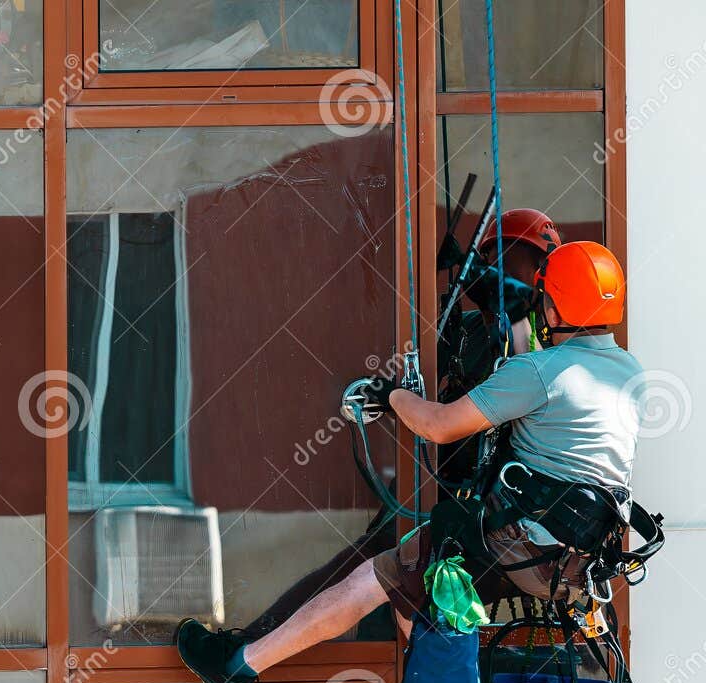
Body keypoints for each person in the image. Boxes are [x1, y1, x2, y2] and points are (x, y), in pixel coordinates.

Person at [178, 241, 640, 683]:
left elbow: (440, 426)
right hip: (579, 565)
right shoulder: (625, 373)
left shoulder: (543, 372)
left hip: (520, 544)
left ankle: (240, 664)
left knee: (373, 578)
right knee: (422, 597)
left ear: (555, 307)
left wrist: (393, 394)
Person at [239, 208, 563, 641]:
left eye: (531, 261)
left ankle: (252, 648)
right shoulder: (467, 327)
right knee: (360, 571)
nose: (517, 270)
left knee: (388, 582)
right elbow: (431, 391)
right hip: (436, 482)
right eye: (502, 258)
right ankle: (255, 640)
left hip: (490, 511)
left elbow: (524, 359)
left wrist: (512, 312)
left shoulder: (544, 337)